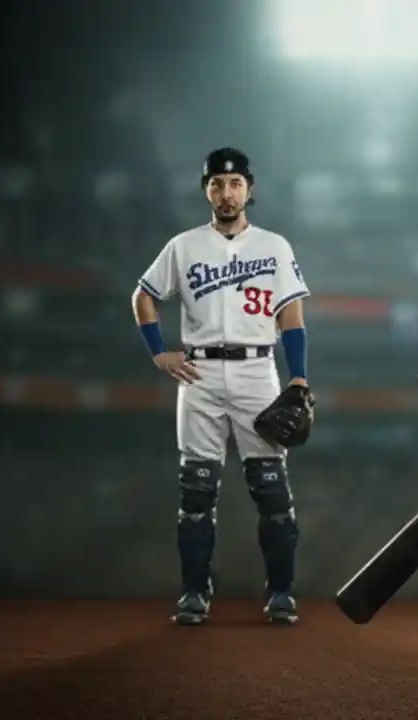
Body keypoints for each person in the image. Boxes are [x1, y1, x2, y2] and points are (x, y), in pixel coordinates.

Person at [130, 147, 312, 626]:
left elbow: (291, 319)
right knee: (196, 491)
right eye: (216, 184)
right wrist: (158, 350)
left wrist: (297, 378)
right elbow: (143, 297)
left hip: (257, 369)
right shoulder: (184, 245)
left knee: (271, 489)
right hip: (200, 373)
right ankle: (194, 592)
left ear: (249, 188)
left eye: (234, 184)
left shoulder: (274, 246)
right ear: (205, 190)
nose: (225, 192)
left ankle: (281, 592)